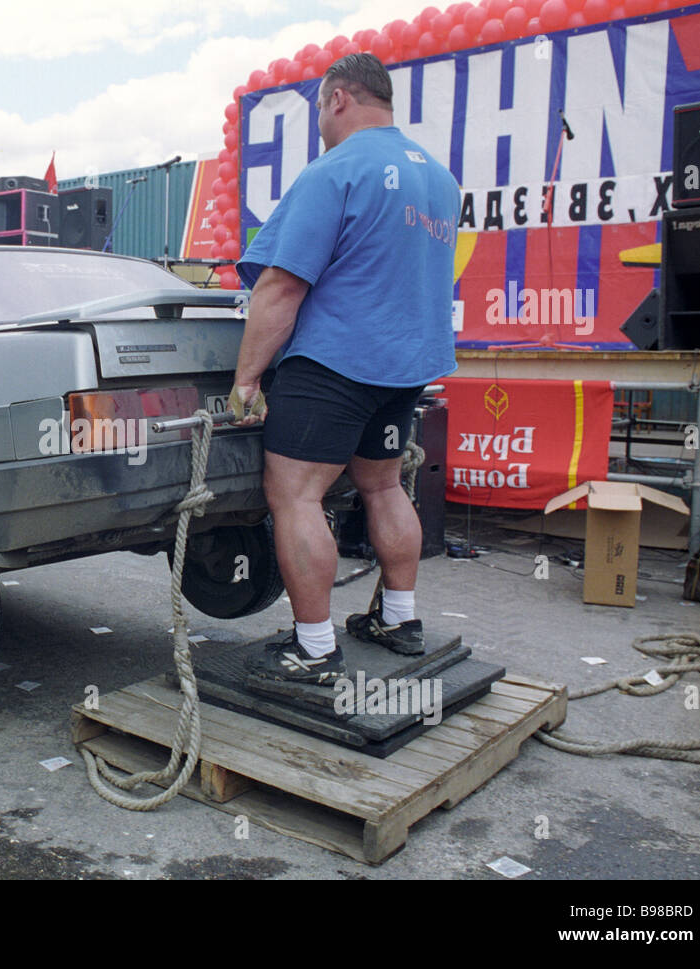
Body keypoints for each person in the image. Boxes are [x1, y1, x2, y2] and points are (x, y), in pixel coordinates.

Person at [230, 53, 461, 685]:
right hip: (406, 369)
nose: (320, 129)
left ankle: (313, 647)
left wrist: (246, 380)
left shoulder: (336, 170)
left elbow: (280, 287)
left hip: (335, 365)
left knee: (297, 496)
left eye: (319, 114)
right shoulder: (439, 179)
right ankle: (400, 619)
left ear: (337, 100)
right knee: (384, 486)